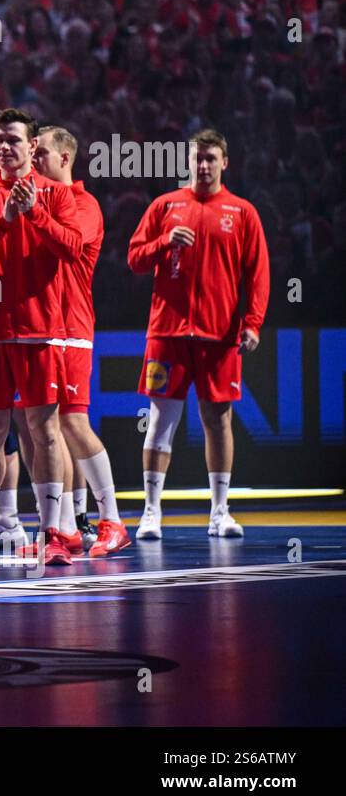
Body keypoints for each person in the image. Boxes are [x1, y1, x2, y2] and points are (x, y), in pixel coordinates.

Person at [0, 107, 81, 568]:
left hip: (41, 333)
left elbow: (73, 248)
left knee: (44, 433)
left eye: (14, 141)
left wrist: (34, 214)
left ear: (32, 147)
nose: (4, 147)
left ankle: (53, 533)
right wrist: (4, 219)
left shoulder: (56, 195)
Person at [127, 129, 270, 541]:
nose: (203, 165)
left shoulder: (242, 213)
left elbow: (257, 274)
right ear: (187, 162)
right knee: (159, 423)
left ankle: (220, 512)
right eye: (197, 158)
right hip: (167, 334)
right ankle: (151, 512)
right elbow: (134, 258)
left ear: (225, 162)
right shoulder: (164, 206)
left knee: (218, 422)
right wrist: (162, 242)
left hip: (219, 336)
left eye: (210, 158)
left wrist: (253, 323)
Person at [33, 125, 131, 558]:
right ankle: (67, 528)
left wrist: (33, 211)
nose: (34, 160)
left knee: (73, 423)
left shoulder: (83, 204)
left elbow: (69, 247)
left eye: (41, 153)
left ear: (65, 158)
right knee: (49, 428)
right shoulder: (40, 200)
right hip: (42, 329)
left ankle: (112, 518)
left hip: (72, 330)